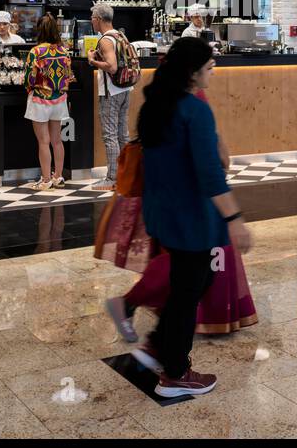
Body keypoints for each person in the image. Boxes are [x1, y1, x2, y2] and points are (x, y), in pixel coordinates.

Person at [125, 37, 253, 398]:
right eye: (210, 68)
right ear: (193, 73)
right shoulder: (193, 110)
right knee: (189, 289)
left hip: (163, 211)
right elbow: (211, 174)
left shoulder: (156, 105)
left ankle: (159, 347)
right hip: (191, 216)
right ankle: (176, 373)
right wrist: (236, 219)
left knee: (194, 280)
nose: (213, 73)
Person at [104, 92, 257, 339]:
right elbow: (214, 157)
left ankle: (154, 318)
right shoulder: (193, 100)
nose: (213, 66)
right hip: (190, 196)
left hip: (169, 193)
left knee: (188, 260)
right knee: (192, 260)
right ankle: (134, 309)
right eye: (207, 65)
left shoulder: (165, 96)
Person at [87, 3, 137, 192]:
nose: (91, 21)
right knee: (122, 134)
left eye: (92, 17)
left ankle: (112, 178)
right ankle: (129, 174)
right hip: (125, 89)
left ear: (98, 19)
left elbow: (112, 67)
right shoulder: (120, 34)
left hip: (111, 92)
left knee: (110, 136)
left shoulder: (105, 40)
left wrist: (92, 60)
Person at [23, 13, 74, 191]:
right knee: (57, 140)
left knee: (43, 141)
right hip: (60, 99)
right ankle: (58, 177)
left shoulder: (35, 52)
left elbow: (29, 78)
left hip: (40, 100)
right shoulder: (64, 51)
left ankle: (45, 180)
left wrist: (30, 89)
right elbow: (69, 76)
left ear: (39, 30)